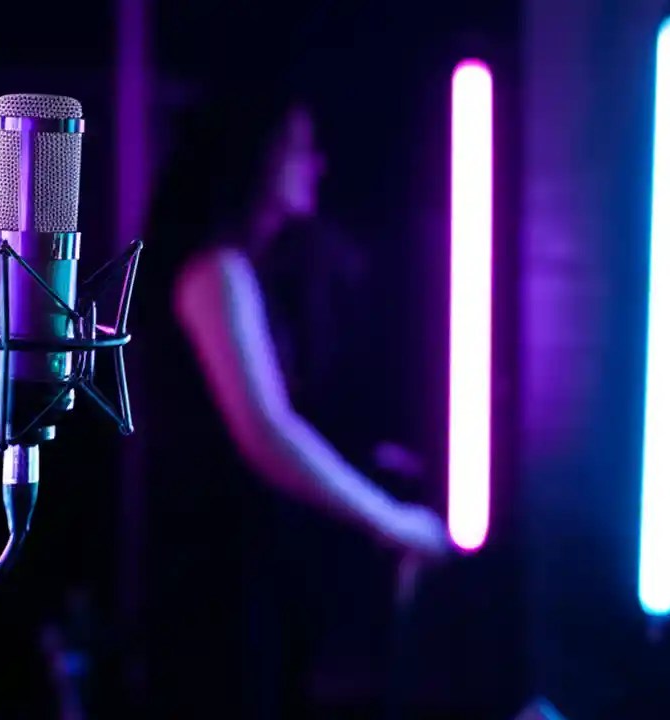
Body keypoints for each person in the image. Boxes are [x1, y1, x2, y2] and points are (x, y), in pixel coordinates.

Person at [130, 77, 452, 717]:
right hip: (211, 579)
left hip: (235, 574)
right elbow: (267, 432)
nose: (317, 165)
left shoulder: (245, 269)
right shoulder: (214, 270)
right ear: (257, 155)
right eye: (299, 147)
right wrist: (393, 521)